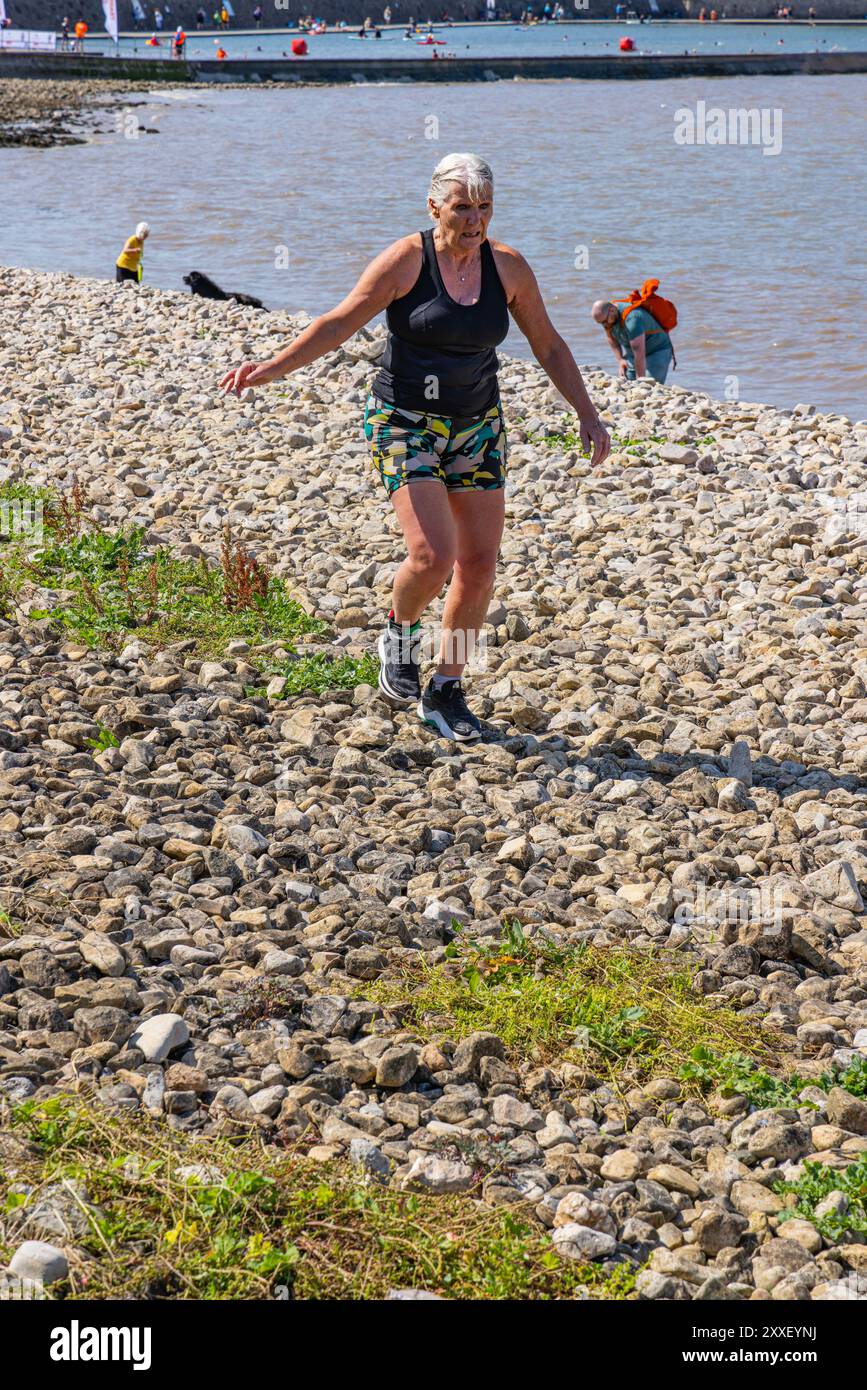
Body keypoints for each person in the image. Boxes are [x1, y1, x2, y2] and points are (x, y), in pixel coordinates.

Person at [220, 153, 610, 741]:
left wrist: (586, 411)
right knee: (434, 555)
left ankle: (446, 690)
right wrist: (272, 368)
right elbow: (340, 322)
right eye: (462, 207)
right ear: (434, 207)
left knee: (478, 566)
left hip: (476, 425)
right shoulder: (406, 260)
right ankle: (399, 632)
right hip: (405, 420)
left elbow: (548, 344)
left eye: (485, 207)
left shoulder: (507, 268)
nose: (475, 220)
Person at [591, 298, 673, 384]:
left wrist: (640, 382)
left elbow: (639, 353)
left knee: (650, 385)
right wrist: (620, 360)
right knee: (625, 382)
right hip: (633, 352)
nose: (604, 325)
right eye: (601, 323)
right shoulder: (606, 316)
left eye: (604, 322)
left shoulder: (633, 318)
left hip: (657, 350)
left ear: (612, 310)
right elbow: (611, 338)